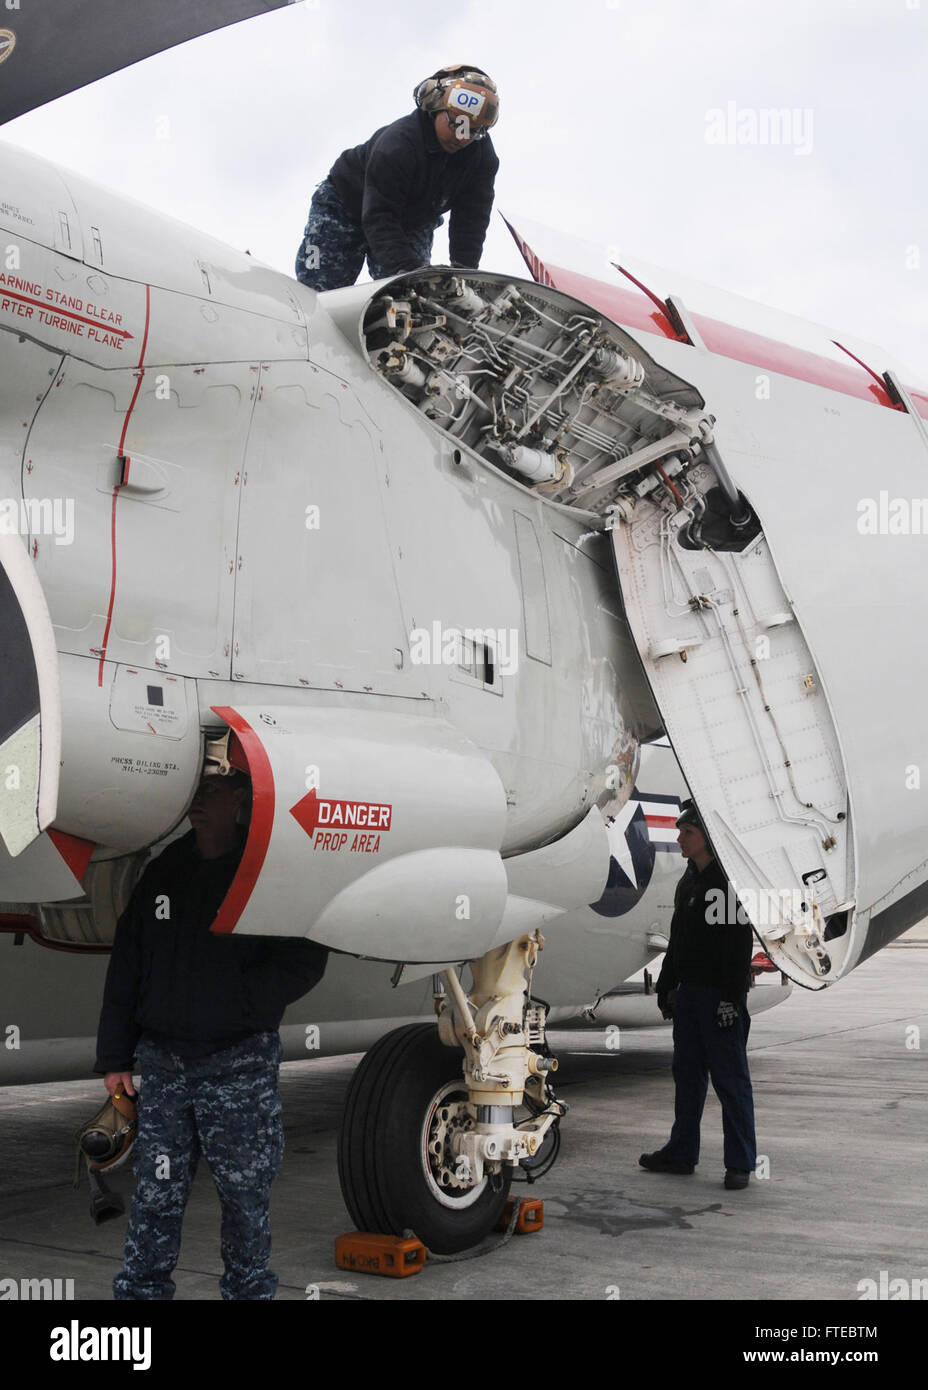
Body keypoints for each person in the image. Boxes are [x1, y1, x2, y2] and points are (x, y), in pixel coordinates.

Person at [95, 764, 328, 1299]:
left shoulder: (265, 870)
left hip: (237, 1064)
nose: (200, 802)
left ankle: (249, 1292)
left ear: (241, 802)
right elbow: (128, 966)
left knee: (245, 1195)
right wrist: (115, 1059)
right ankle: (142, 1293)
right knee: (157, 1192)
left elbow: (306, 953)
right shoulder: (165, 871)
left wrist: (244, 1001)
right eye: (197, 792)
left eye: (214, 792)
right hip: (165, 1065)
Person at [294, 63, 499, 291]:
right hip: (344, 207)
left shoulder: (482, 158)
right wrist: (405, 267)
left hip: (412, 222)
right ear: (434, 105)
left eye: (474, 130)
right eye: (457, 124)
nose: (463, 137)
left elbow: (472, 219)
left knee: (412, 298)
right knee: (318, 290)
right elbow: (379, 216)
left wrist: (465, 274)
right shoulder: (397, 146)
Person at [639, 801, 757, 1190]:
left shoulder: (726, 885)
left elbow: (739, 948)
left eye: (686, 833)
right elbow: (678, 944)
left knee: (730, 1081)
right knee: (687, 1079)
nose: (679, 839)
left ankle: (739, 1164)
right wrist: (666, 985)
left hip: (718, 1000)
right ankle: (681, 1152)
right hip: (689, 997)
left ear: (706, 839)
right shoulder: (688, 883)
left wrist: (730, 998)